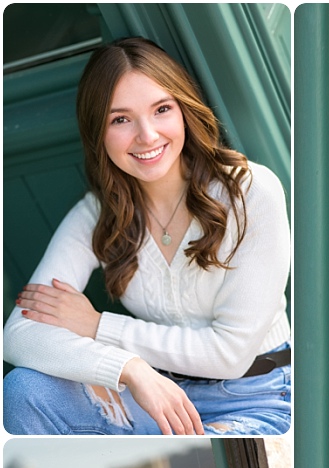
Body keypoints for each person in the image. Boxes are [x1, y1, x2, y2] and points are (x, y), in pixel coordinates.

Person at [3, 37, 291, 436]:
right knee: (24, 390)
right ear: (98, 132)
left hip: (256, 395)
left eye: (162, 109)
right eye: (120, 119)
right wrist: (129, 368)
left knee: (207, 465)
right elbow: (18, 335)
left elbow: (230, 354)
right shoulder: (97, 214)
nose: (148, 135)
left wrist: (99, 326)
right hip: (153, 395)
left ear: (184, 110)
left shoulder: (249, 192)